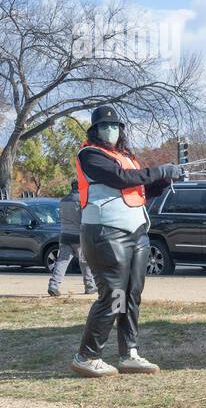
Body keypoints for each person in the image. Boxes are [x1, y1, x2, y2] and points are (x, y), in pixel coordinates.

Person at [71, 105, 184, 377]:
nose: (109, 131)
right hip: (106, 231)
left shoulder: (124, 156)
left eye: (114, 126)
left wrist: (163, 181)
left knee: (131, 294)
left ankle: (129, 352)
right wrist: (158, 170)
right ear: (94, 130)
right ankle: (87, 355)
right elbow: (121, 179)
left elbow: (139, 187)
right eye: (103, 126)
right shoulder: (89, 155)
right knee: (113, 294)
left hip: (136, 232)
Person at [47, 179, 96, 297]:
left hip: (64, 235)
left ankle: (53, 285)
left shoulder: (63, 200)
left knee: (62, 261)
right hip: (79, 236)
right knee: (85, 261)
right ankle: (89, 286)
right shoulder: (82, 200)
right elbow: (85, 219)